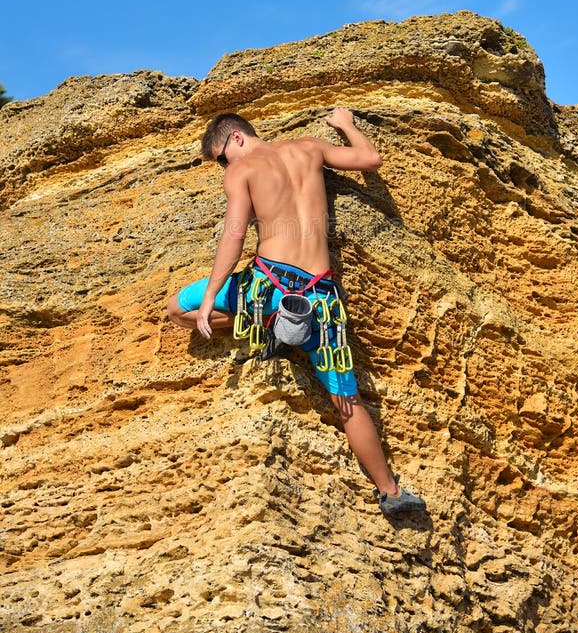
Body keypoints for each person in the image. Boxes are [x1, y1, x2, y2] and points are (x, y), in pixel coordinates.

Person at [167, 108, 425, 515]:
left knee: (179, 307)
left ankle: (268, 324)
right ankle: (391, 492)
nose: (223, 166)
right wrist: (345, 125)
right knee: (347, 400)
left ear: (235, 139)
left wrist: (210, 298)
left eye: (220, 157)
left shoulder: (242, 169)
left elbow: (234, 235)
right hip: (321, 296)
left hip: (266, 286)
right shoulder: (311, 149)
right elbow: (370, 159)